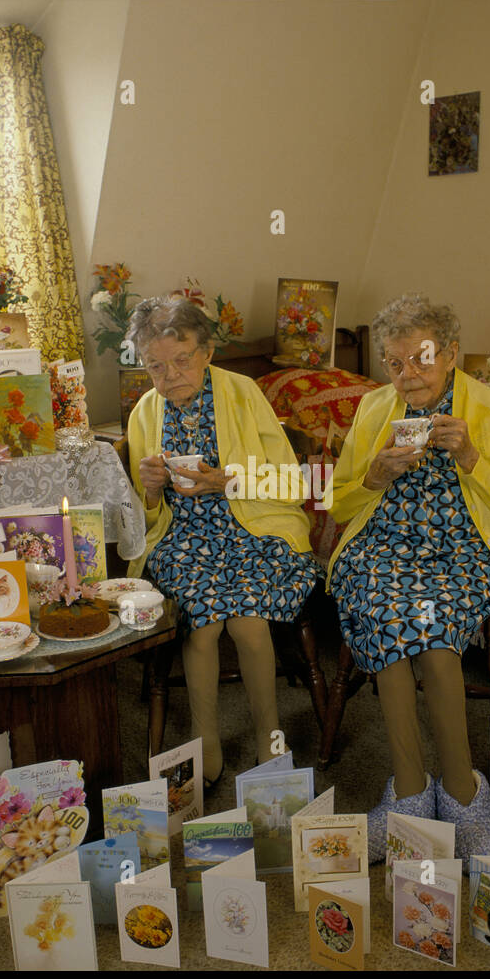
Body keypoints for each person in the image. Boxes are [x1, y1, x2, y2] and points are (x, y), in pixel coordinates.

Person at [325, 292, 490, 865]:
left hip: (463, 549)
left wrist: (470, 455)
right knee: (389, 621)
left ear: (450, 354)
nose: (407, 374)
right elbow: (339, 504)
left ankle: (465, 801)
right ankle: (411, 795)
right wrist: (374, 475)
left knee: (436, 640)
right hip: (384, 545)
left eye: (419, 358)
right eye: (394, 363)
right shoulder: (374, 410)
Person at [125, 295, 322, 786]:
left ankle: (268, 736)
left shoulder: (243, 393)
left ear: (206, 352)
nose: (170, 375)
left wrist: (226, 481)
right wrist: (149, 490)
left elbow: (292, 483)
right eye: (155, 366)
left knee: (250, 625)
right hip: (184, 538)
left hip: (256, 528)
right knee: (204, 627)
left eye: (181, 359)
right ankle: (204, 740)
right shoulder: (144, 413)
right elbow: (144, 516)